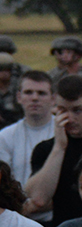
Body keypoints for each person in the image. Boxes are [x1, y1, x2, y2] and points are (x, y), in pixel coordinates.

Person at [25, 73, 82, 227]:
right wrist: (59, 147)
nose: (70, 118)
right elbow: (39, 199)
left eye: (77, 110)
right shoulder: (46, 149)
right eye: (62, 110)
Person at [1, 71, 57, 218]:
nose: (34, 98)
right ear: (19, 97)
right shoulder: (5, 136)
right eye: (28, 92)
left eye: (41, 93)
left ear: (53, 99)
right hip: (16, 215)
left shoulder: (64, 132)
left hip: (55, 217)